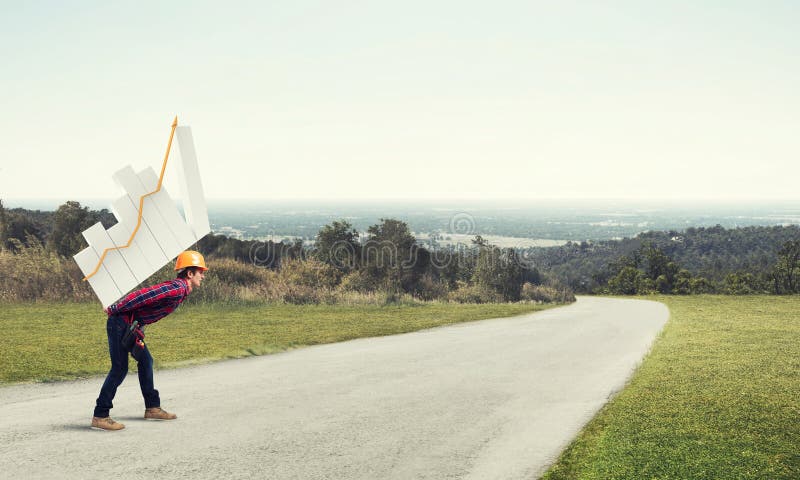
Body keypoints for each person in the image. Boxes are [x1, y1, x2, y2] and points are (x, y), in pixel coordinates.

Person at [90, 250, 208, 431]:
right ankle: (100, 415)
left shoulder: (181, 290)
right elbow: (142, 295)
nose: (203, 275)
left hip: (130, 326)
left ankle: (152, 408)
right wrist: (114, 308)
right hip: (120, 323)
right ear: (190, 273)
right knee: (119, 369)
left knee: (146, 361)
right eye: (200, 271)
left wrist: (139, 327)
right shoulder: (177, 288)